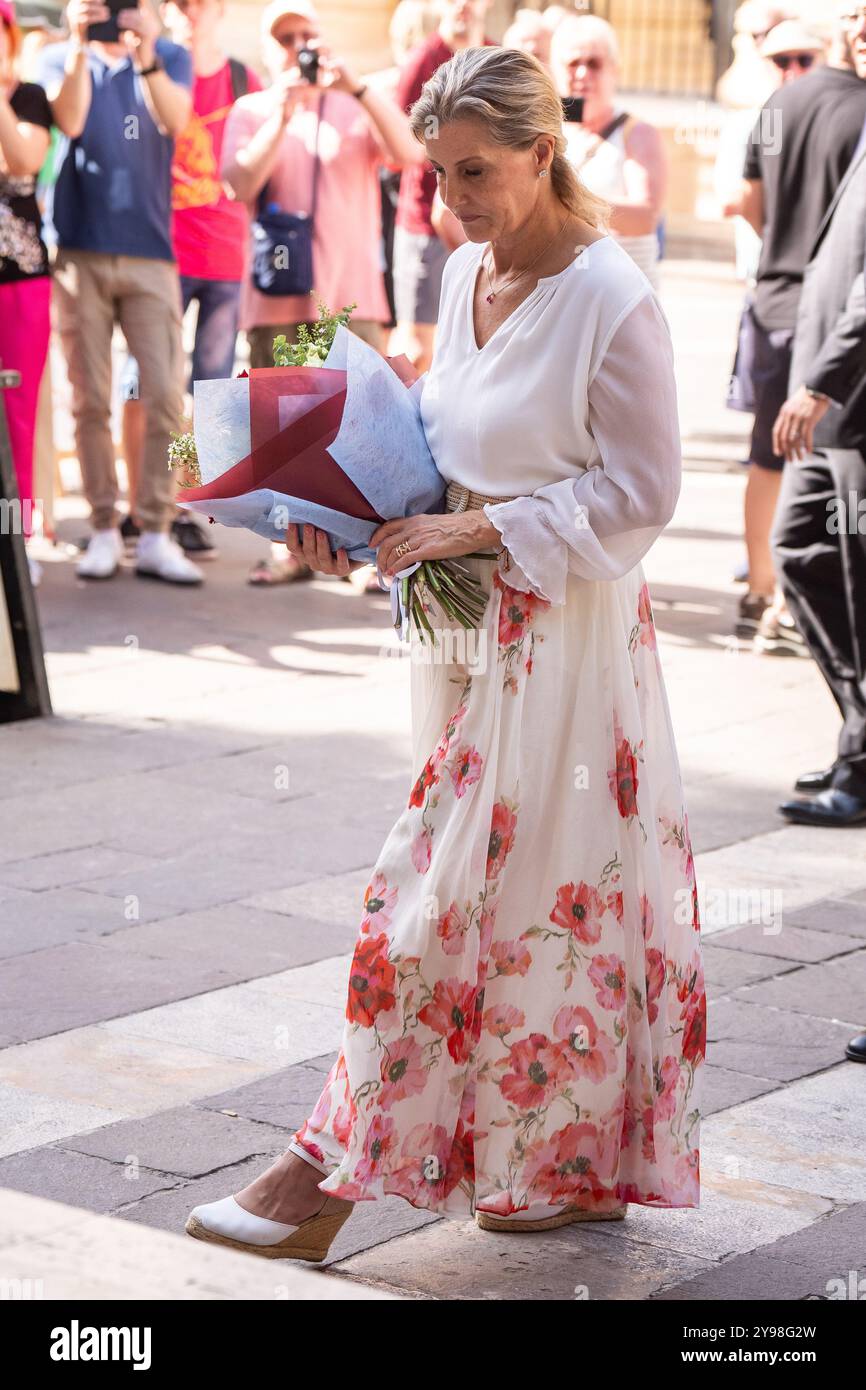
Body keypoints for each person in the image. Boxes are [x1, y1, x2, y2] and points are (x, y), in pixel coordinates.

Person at [185, 44, 705, 1259]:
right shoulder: (468, 267)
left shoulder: (611, 295)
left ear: (542, 150)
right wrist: (339, 518)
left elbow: (642, 492)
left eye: (476, 172)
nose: (451, 199)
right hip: (462, 624)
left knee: (420, 902)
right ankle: (563, 1165)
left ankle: (316, 1175)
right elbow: (434, 436)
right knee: (522, 905)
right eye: (436, 176)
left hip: (564, 639)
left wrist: (475, 524)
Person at [221, 0, 415, 586]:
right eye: (285, 39)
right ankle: (291, 549)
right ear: (268, 50)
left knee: (368, 430)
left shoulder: (354, 107)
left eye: (307, 35)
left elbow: (409, 154)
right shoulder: (253, 109)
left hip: (351, 296)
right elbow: (238, 181)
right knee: (282, 436)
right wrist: (283, 114)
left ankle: (364, 552)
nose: (298, 47)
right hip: (278, 298)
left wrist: (355, 89)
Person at [38, 0, 203, 584]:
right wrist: (81, 41)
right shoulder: (59, 55)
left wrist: (148, 52)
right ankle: (105, 527)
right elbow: (73, 121)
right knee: (88, 398)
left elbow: (177, 121)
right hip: (78, 251)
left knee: (162, 395)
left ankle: (155, 530)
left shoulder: (169, 55)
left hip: (151, 254)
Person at [725, 13, 866, 646]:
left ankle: (762, 588)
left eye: (795, 58)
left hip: (777, 301)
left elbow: (749, 202)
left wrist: (779, 247)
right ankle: (787, 594)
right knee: (820, 463)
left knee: (770, 455)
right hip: (824, 312)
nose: (788, 71)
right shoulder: (858, 108)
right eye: (779, 61)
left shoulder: (780, 107)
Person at [119, 0, 262, 562]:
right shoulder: (152, 62)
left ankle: (182, 509)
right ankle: (140, 508)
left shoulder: (242, 77)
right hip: (158, 252)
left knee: (210, 389)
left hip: (225, 253)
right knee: (141, 382)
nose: (187, 9)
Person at [770, 89, 866, 826]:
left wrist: (821, 382)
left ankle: (861, 768)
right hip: (830, 409)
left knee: (858, 584)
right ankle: (858, 741)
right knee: (799, 550)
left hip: (849, 405)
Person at [390, 0, 496, 373]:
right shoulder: (425, 58)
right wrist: (448, 150)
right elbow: (398, 143)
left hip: (483, 220)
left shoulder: (495, 59)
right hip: (423, 222)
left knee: (471, 337)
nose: (463, 5)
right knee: (417, 350)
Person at [551, 14, 667, 292]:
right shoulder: (549, 132)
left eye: (594, 63)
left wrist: (567, 199)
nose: (582, 74)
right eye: (573, 63)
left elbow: (645, 217)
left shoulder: (637, 133)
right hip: (564, 296)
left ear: (614, 70)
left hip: (623, 296)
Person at [0, 0, 52, 587]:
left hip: (20, 281)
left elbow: (24, 157)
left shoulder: (30, 97)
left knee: (17, 416)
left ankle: (18, 542)